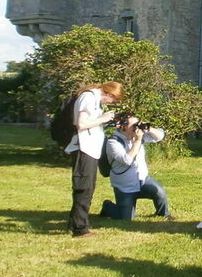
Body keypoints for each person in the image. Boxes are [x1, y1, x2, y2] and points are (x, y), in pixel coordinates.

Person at [66, 81, 123, 238]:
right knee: (84, 188)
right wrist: (103, 118)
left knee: (87, 187)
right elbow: (81, 123)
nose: (111, 103)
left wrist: (106, 120)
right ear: (109, 93)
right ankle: (80, 229)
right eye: (113, 100)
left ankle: (75, 223)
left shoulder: (94, 99)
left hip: (90, 149)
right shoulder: (88, 97)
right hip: (84, 148)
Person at [99, 112, 170, 220]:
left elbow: (160, 136)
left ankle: (164, 215)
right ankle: (108, 206)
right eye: (133, 125)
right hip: (125, 186)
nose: (136, 128)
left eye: (137, 124)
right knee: (125, 218)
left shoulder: (138, 134)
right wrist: (137, 140)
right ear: (122, 126)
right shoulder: (113, 142)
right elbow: (127, 160)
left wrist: (149, 128)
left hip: (142, 180)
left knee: (159, 191)